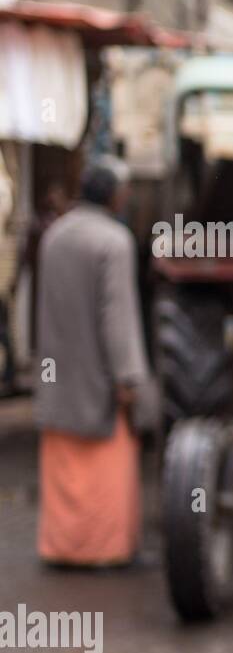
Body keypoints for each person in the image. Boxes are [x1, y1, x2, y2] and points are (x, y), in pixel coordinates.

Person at [33, 157, 149, 567]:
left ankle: (62, 547)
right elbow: (117, 316)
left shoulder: (55, 236)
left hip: (58, 373)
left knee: (65, 467)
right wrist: (128, 377)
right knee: (106, 468)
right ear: (115, 194)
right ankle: (105, 550)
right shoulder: (113, 241)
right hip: (99, 380)